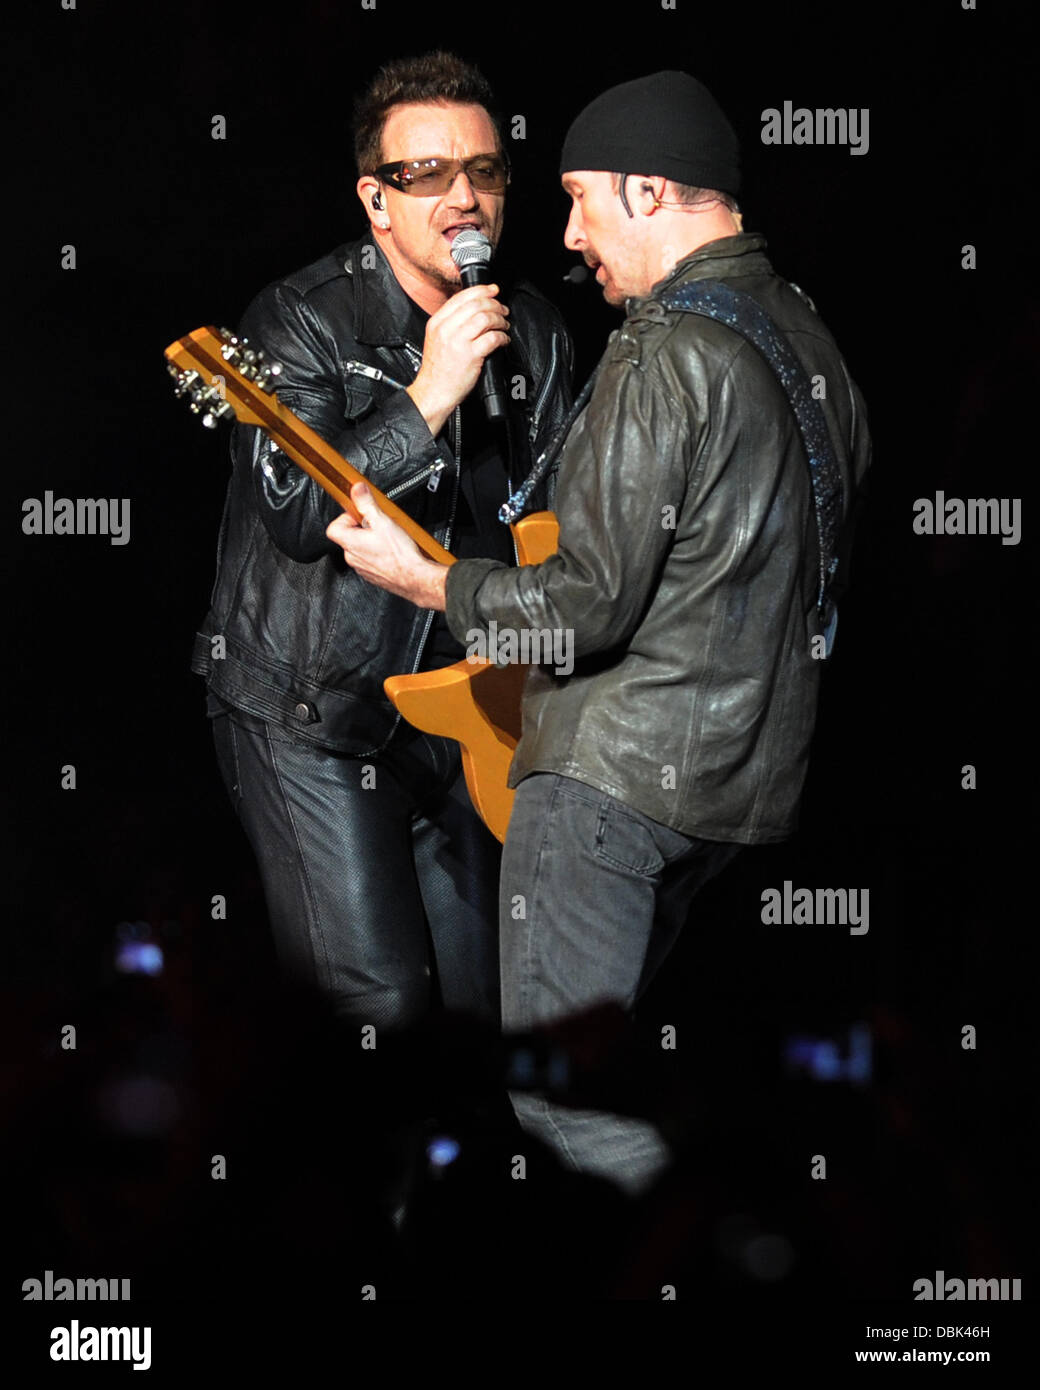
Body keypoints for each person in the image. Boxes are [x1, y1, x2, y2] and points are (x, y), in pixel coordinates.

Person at [327, 71, 872, 1191]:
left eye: (582, 202)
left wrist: (428, 578)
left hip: (607, 788)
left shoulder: (665, 347)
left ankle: (728, 1252)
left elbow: (581, 607)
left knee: (556, 1097)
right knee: (607, 1069)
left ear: (647, 190)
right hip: (732, 796)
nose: (569, 241)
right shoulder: (809, 340)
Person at [191, 52, 573, 1029]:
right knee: (379, 1007)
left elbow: (557, 520)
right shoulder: (301, 319)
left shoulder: (533, 329)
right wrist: (426, 396)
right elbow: (294, 514)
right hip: (313, 712)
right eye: (427, 175)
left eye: (484, 172)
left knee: (489, 1009)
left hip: (461, 713)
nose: (462, 198)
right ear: (376, 200)